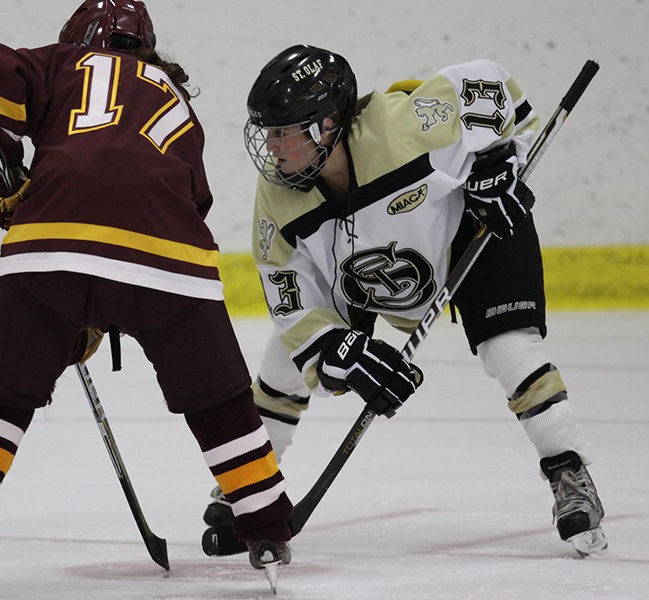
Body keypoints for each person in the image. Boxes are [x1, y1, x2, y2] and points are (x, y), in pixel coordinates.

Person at [0, 1, 293, 595]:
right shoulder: (176, 97)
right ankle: (269, 528)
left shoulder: (61, 64)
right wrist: (122, 303)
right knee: (219, 400)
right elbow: (193, 199)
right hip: (172, 259)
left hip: (53, 247)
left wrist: (1, 158)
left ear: (78, 39)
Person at [202, 44, 607, 557]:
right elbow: (288, 292)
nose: (273, 148)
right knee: (286, 356)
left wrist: (496, 162)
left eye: (285, 132)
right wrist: (335, 354)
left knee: (509, 350)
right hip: (371, 267)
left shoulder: (401, 126)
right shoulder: (278, 193)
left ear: (328, 124)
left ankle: (568, 472)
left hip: (469, 228)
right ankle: (250, 488)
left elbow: (488, 84)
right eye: (268, 133)